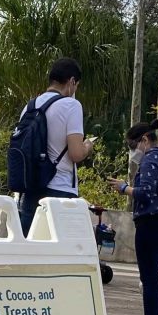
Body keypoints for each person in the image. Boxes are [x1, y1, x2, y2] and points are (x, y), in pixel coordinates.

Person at [110, 121, 158, 315]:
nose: (133, 150)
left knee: (148, 280)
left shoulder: (150, 159)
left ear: (145, 140)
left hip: (150, 223)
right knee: (153, 278)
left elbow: (145, 192)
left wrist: (123, 188)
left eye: (133, 144)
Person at [16, 58, 95, 234]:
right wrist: (88, 146)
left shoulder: (30, 106)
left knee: (28, 250)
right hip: (60, 190)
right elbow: (76, 153)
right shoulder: (71, 105)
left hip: (30, 189)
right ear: (72, 81)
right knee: (58, 255)